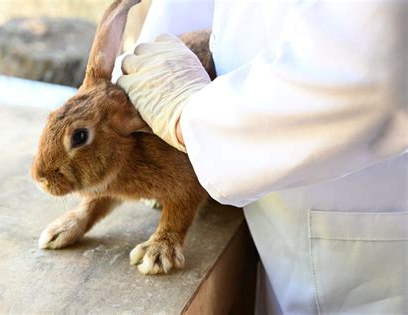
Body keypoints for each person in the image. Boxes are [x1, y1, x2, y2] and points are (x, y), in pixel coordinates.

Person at [115, 1, 407, 314]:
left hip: (373, 248)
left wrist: (192, 117)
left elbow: (373, 71)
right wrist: (146, 72)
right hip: (285, 237)